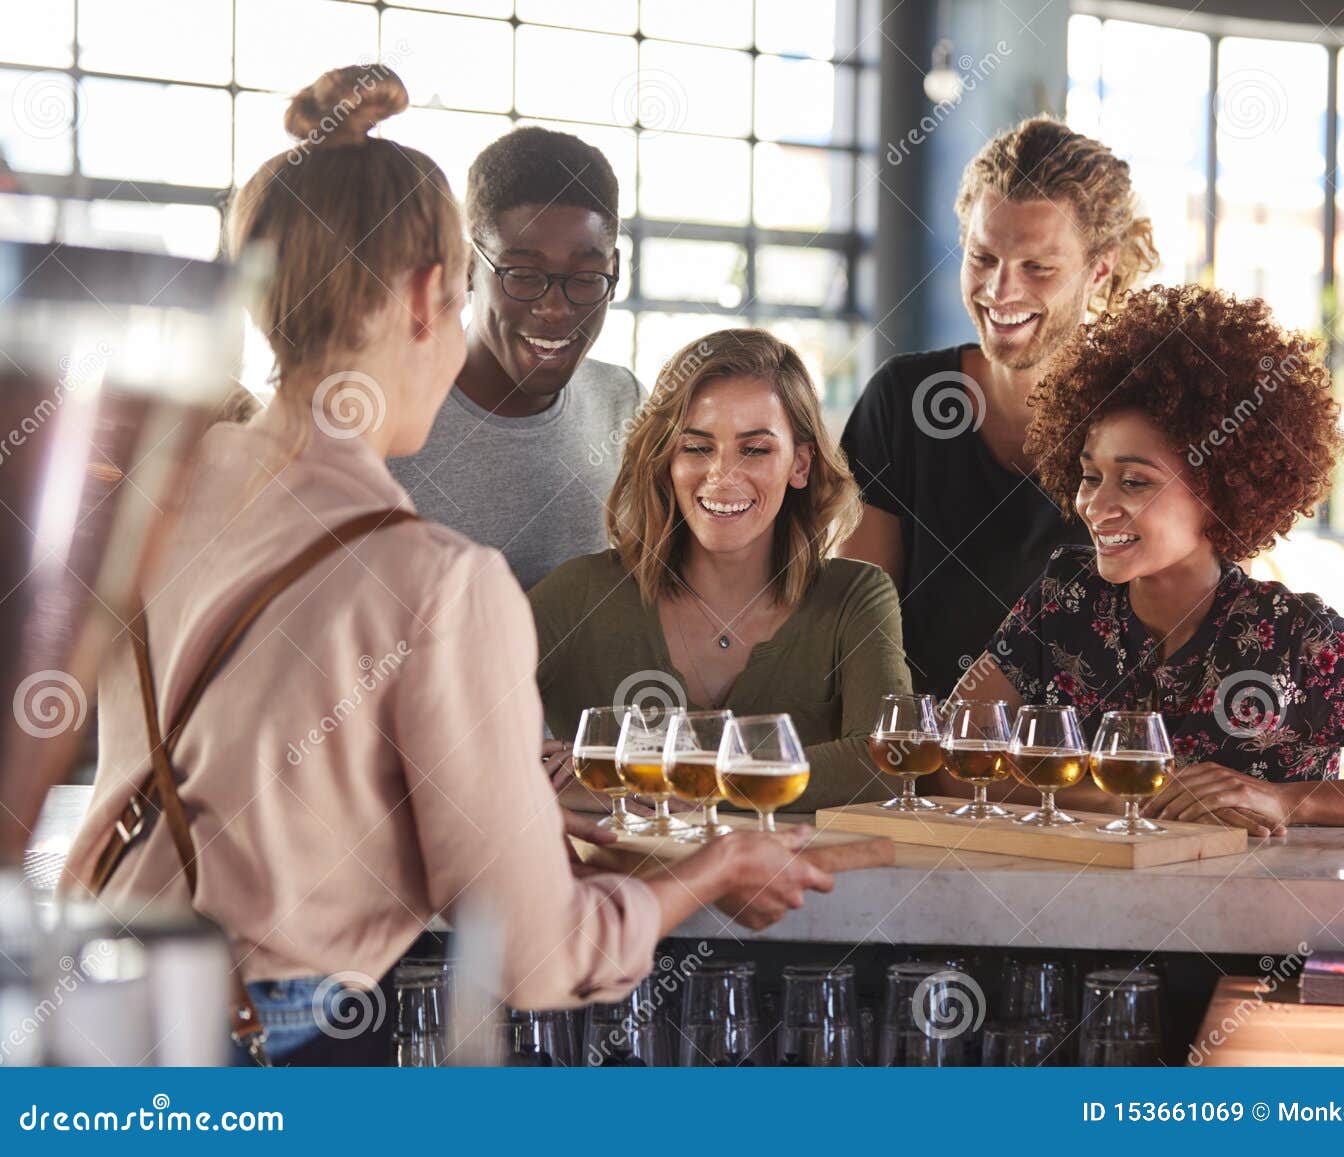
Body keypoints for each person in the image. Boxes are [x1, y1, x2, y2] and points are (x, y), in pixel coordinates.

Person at [59, 67, 831, 1066]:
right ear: (435, 294)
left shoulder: (158, 493)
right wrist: (715, 865)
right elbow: (534, 953)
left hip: (92, 1013)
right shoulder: (441, 582)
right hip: (275, 1041)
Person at [944, 284, 1344, 832]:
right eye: (1089, 476)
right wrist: (1135, 798)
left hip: (1257, 937)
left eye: (1133, 482)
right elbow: (952, 759)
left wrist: (1290, 800)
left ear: (1219, 489)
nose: (1096, 506)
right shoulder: (1063, 599)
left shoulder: (1296, 639)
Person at [840, 115, 1159, 698]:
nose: (1000, 291)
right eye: (983, 258)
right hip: (927, 766)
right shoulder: (904, 400)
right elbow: (861, 622)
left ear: (1101, 269)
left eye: (1038, 267)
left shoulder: (1150, 422)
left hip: (1089, 772)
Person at [530, 329, 910, 812]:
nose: (723, 476)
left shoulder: (856, 596)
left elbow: (881, 764)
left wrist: (653, 779)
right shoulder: (580, 593)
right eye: (697, 447)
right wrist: (536, 775)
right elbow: (448, 728)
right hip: (624, 887)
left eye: (755, 449)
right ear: (666, 458)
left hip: (805, 888)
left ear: (801, 463)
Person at [386, 124, 642, 590]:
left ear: (615, 272)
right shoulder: (386, 424)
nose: (555, 308)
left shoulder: (624, 405)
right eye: (523, 274)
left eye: (586, 278)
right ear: (467, 267)